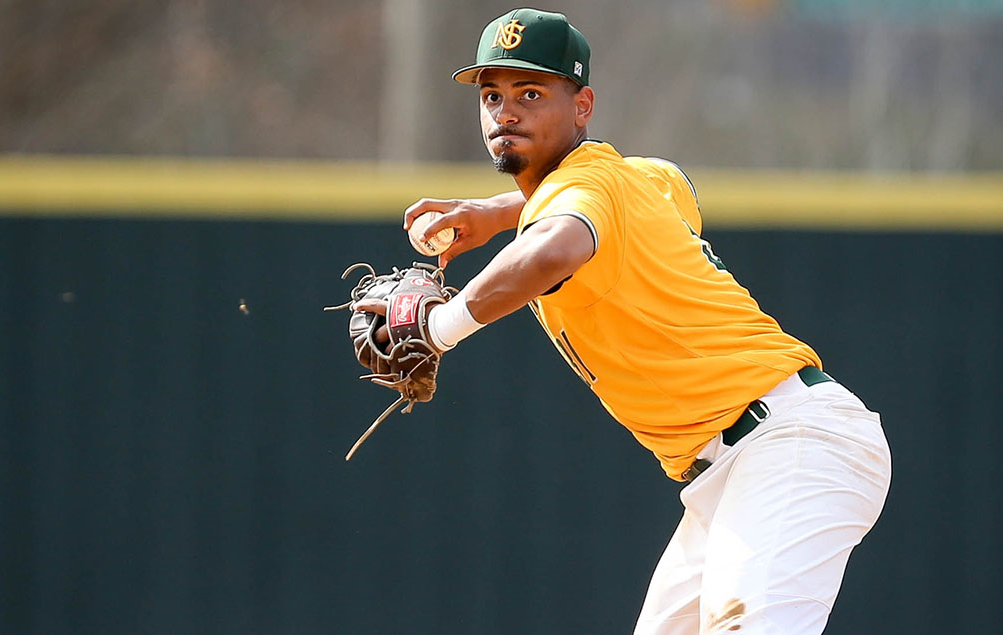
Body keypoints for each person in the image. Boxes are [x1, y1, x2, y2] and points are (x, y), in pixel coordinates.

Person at [356, 8, 892, 634]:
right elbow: (655, 181)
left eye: (532, 93)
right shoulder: (628, 180)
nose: (507, 112)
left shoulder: (582, 197)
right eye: (492, 95)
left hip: (791, 446)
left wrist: (439, 328)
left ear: (582, 104)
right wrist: (498, 210)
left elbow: (556, 249)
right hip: (731, 473)